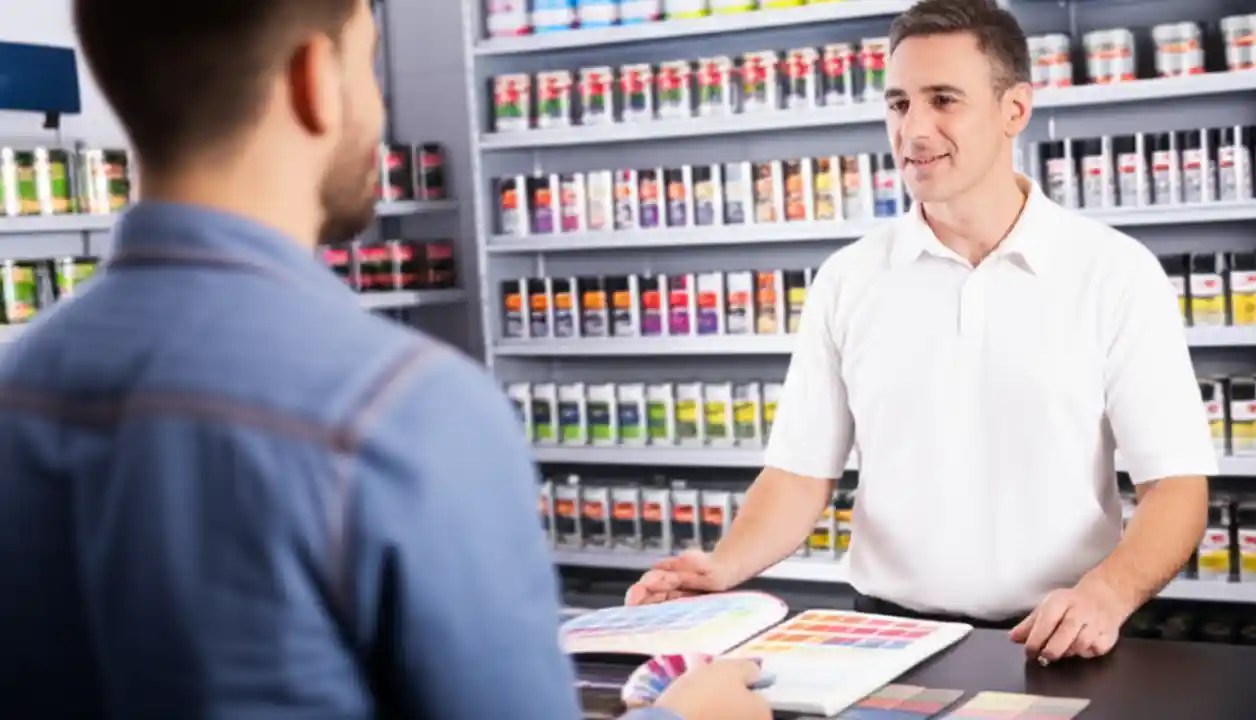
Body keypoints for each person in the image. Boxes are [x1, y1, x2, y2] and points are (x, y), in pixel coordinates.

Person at [0, 2, 768, 718]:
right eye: (368, 66)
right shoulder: (406, 409)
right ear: (315, 81)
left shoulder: (18, 386)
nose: (380, 107)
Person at [628, 0, 1215, 667]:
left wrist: (1108, 593)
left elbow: (1176, 485)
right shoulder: (849, 279)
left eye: (943, 100)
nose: (915, 129)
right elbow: (798, 474)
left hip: (1063, 634)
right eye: (900, 103)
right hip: (886, 638)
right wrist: (724, 564)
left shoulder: (1114, 273)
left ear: (1013, 111)